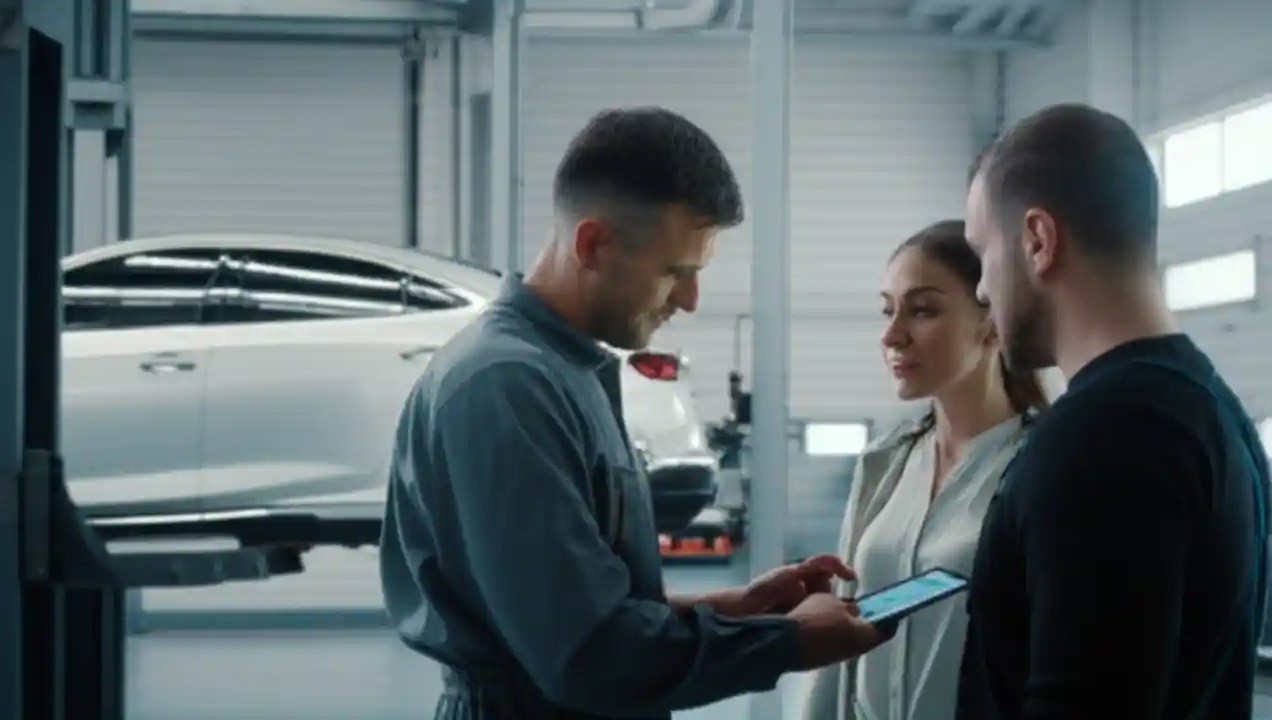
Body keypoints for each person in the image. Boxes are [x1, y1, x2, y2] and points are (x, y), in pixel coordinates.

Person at [378, 106, 888, 720]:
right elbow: (588, 657)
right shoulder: (506, 386)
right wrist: (789, 641)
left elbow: (589, 610)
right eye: (676, 273)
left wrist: (735, 608)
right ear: (592, 244)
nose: (692, 301)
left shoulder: (569, 372)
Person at [956, 103, 1271, 718]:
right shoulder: (1209, 408)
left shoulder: (1101, 440)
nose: (982, 289)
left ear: (1038, 241)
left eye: (982, 252)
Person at [800, 220, 1050, 720]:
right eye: (888, 310)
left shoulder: (1039, 466)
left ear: (992, 322)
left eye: (922, 310)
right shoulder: (885, 463)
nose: (892, 335)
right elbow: (841, 638)